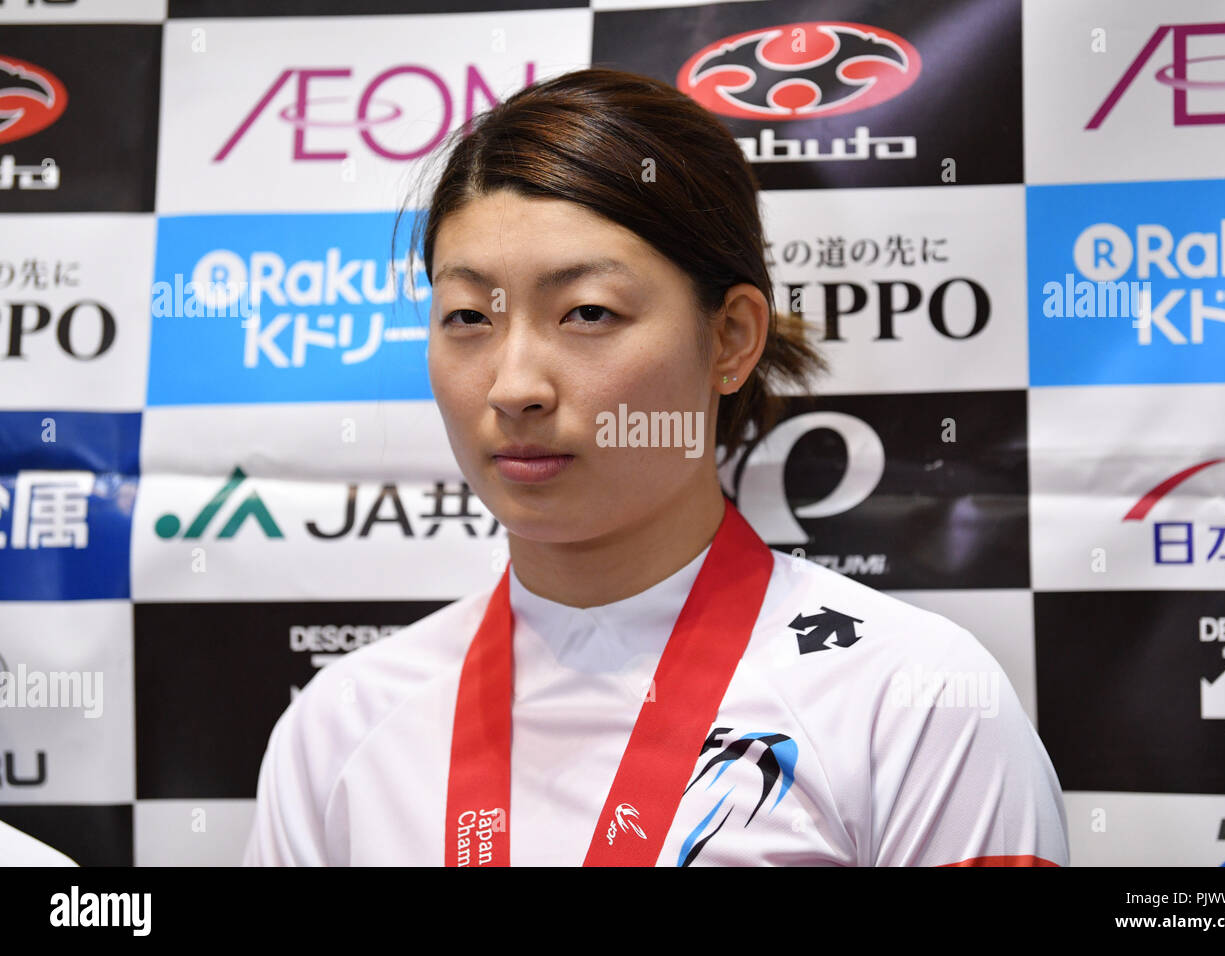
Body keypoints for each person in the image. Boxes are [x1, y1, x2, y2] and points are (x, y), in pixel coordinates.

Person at [242, 67, 1068, 867]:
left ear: (731, 338)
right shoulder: (342, 725)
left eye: (588, 312)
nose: (516, 385)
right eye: (467, 316)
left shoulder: (915, 700)